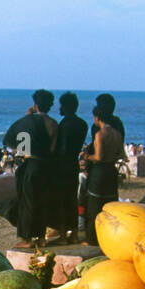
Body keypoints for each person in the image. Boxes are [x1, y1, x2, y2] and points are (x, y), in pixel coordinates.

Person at [3, 90, 59, 250]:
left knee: (27, 202)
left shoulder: (25, 122)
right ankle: (41, 237)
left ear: (35, 105)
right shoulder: (53, 124)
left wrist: (28, 118)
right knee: (42, 201)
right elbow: (53, 148)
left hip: (31, 166)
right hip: (46, 166)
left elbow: (19, 148)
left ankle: (27, 238)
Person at [80, 99, 124, 244]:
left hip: (100, 172)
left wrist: (86, 156)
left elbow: (98, 157)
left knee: (94, 207)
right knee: (110, 206)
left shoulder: (100, 134)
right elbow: (122, 155)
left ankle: (92, 239)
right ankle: (111, 237)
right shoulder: (117, 133)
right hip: (112, 170)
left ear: (97, 118)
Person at [54, 92, 88, 244]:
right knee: (72, 200)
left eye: (61, 105)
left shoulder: (64, 124)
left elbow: (63, 147)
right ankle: (73, 234)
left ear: (66, 106)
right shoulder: (82, 124)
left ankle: (62, 235)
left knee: (62, 201)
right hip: (73, 164)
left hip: (62, 165)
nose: (59, 108)